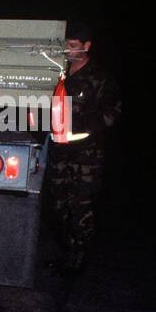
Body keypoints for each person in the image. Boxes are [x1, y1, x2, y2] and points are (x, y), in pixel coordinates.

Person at [44, 22, 122, 275]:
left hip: (85, 154)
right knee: (58, 206)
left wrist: (77, 123)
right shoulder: (60, 72)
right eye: (66, 45)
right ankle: (67, 253)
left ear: (87, 46)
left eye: (74, 46)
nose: (68, 50)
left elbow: (111, 114)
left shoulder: (99, 78)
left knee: (80, 207)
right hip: (59, 150)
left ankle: (78, 260)